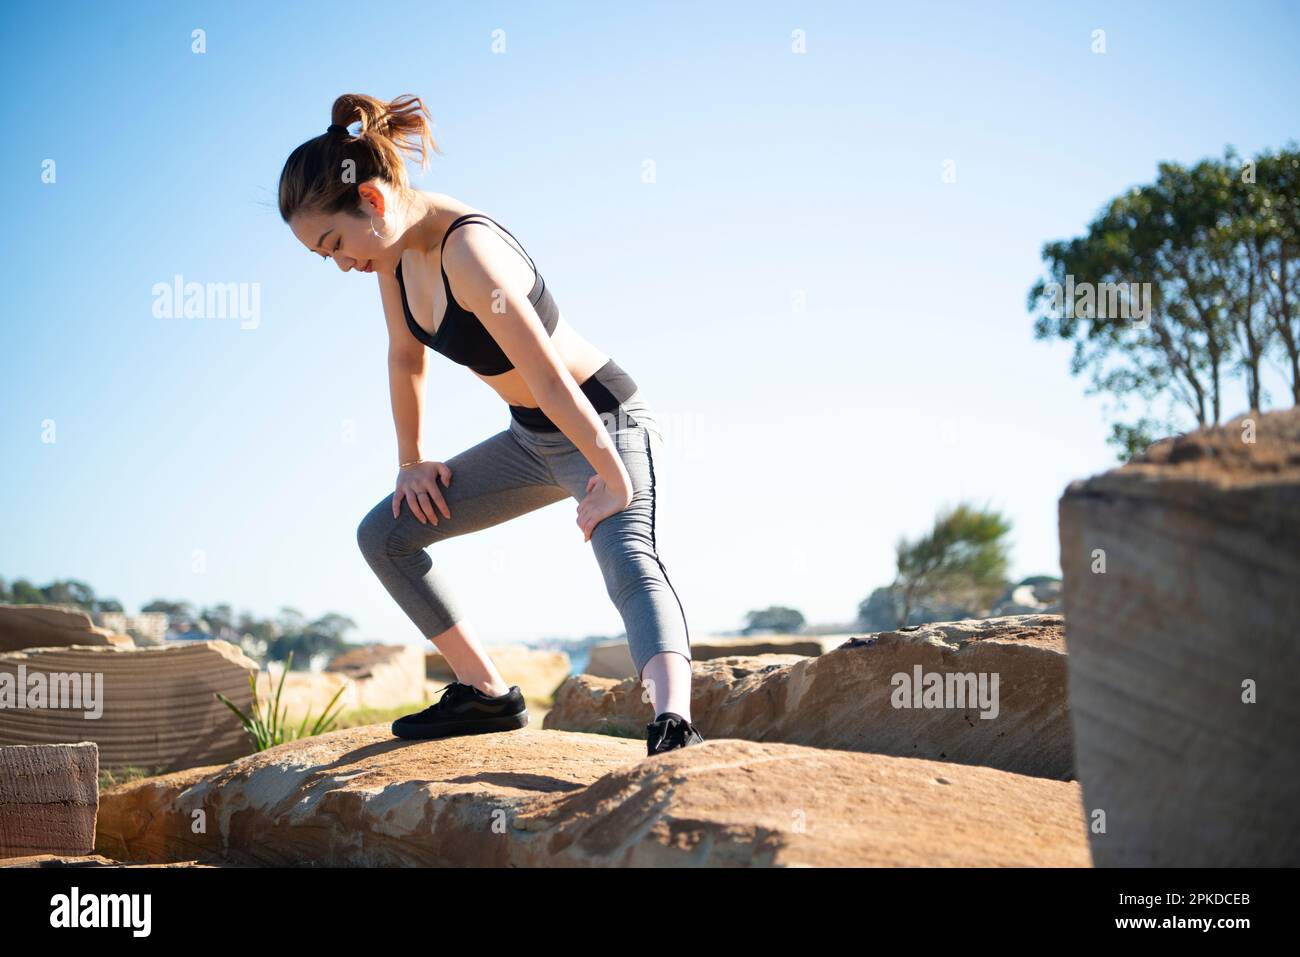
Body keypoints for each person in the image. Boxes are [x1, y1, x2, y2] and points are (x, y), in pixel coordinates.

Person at [277, 93, 703, 756]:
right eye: (322, 256)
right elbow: (403, 357)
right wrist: (410, 458)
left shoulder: (470, 252)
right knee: (384, 534)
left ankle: (673, 722)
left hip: (600, 419)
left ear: (372, 200)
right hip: (532, 439)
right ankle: (486, 693)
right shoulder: (389, 260)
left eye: (335, 244)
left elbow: (551, 377)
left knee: (627, 560)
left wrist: (613, 475)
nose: (340, 264)